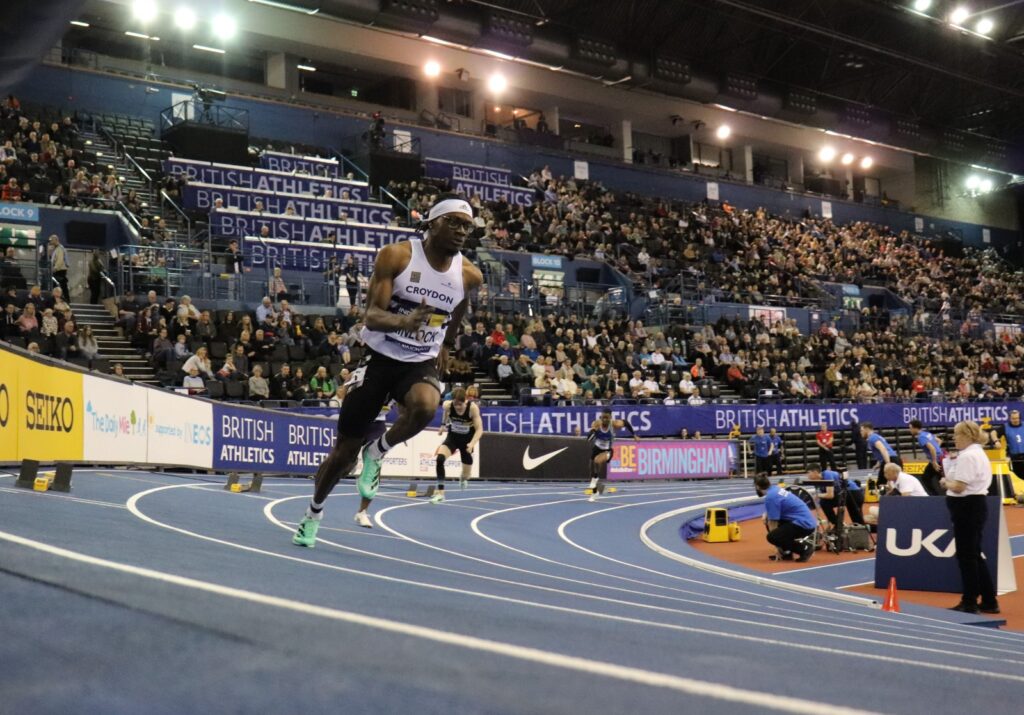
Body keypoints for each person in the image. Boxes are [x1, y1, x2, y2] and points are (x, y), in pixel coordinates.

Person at [292, 195, 482, 545]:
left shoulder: (469, 274)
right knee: (343, 453)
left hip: (418, 360)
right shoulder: (397, 255)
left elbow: (458, 309)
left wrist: (444, 344)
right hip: (379, 358)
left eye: (466, 225)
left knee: (426, 405)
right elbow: (372, 316)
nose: (460, 231)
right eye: (452, 222)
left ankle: (377, 451)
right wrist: (404, 321)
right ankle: (313, 513)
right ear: (431, 223)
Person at [941, 421, 999, 614]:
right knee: (974, 554)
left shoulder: (968, 456)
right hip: (974, 505)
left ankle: (970, 601)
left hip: (966, 506)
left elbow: (959, 486)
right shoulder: (978, 453)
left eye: (956, 435)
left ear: (966, 435)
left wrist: (944, 482)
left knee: (967, 556)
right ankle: (989, 599)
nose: (954, 438)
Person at [432, 386, 483, 503]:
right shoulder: (447, 405)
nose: (458, 408)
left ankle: (463, 479)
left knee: (466, 475)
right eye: (455, 405)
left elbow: (479, 429)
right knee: (440, 459)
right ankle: (441, 493)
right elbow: (446, 412)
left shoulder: (472, 408)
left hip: (467, 442)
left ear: (465, 400)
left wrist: (472, 444)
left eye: (460, 405)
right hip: (453, 438)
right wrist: (443, 424)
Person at [754, 473, 817, 562]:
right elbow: (777, 505)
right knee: (776, 527)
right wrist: (766, 513)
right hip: (805, 521)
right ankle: (787, 552)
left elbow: (773, 523)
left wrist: (776, 545)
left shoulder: (771, 497)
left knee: (772, 537)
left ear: (757, 486)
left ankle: (805, 548)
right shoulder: (775, 489)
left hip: (803, 524)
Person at [585, 408, 638, 502]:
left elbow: (625, 422)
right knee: (591, 470)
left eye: (607, 418)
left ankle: (595, 481)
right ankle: (596, 491)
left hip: (607, 450)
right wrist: (591, 433)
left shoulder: (615, 424)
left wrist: (634, 435)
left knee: (597, 461)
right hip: (596, 449)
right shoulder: (597, 423)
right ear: (601, 416)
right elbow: (591, 431)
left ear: (610, 417)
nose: (604, 420)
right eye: (603, 417)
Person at [907, 419, 944, 495]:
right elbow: (939, 441)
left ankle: (935, 497)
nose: (909, 430)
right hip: (941, 457)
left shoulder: (921, 437)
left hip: (936, 460)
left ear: (915, 428)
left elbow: (932, 448)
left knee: (926, 478)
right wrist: (937, 450)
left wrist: (934, 461)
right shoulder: (927, 434)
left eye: (910, 428)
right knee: (939, 477)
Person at [1005, 410, 1024, 485]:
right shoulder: (1005, 427)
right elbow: (994, 432)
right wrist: (996, 441)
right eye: (1013, 418)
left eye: (1017, 418)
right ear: (1010, 418)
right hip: (1015, 458)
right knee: (1018, 477)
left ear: (1020, 418)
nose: (1015, 420)